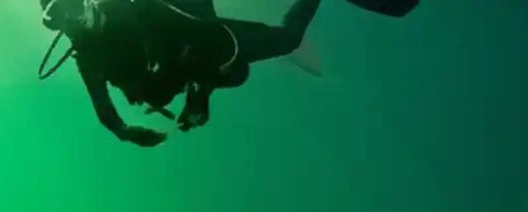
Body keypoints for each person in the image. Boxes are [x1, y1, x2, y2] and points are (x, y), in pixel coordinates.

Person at [40, 0, 412, 146]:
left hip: (205, 37)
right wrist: (124, 131)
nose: (73, 17)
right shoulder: (89, 56)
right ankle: (205, 84)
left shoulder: (129, 8)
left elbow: (192, 36)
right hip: (185, 70)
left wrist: (198, 96)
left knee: (286, 40)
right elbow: (103, 106)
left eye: (70, 4)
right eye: (59, 16)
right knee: (223, 71)